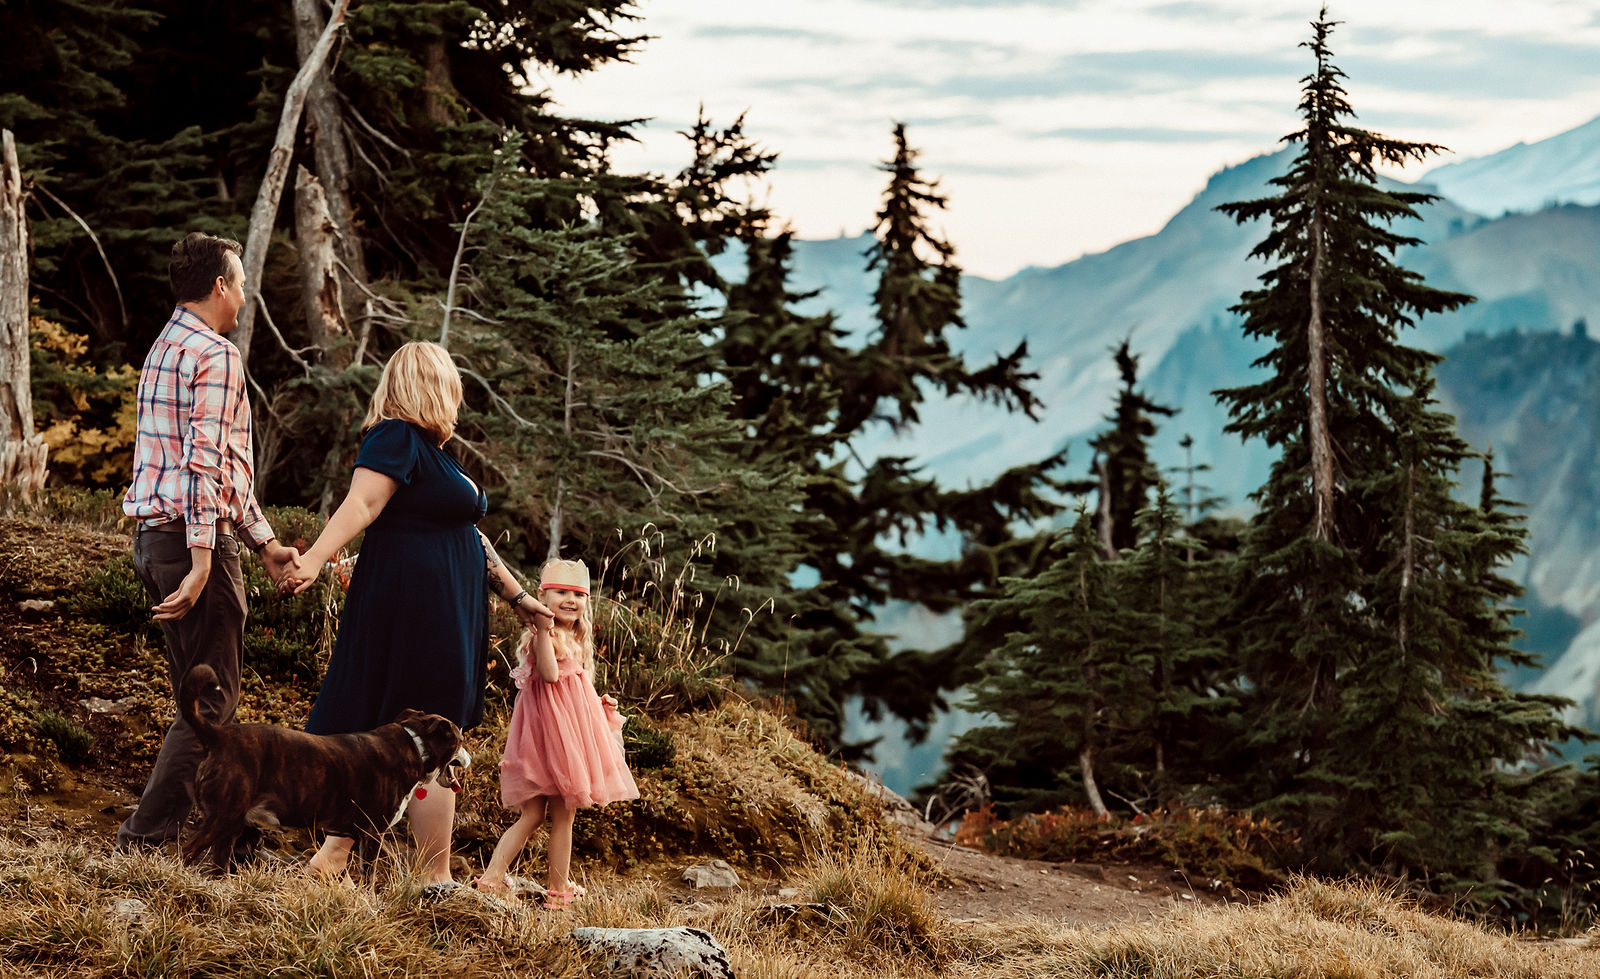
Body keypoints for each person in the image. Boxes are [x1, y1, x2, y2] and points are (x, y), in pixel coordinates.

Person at [282, 340, 552, 885]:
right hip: (415, 610)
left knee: (428, 736)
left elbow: (469, 536)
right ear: (433, 386)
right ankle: (406, 871)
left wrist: (517, 596)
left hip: (445, 608)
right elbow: (363, 503)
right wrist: (313, 557)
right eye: (452, 385)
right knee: (424, 731)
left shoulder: (431, 454)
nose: (457, 396)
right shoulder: (395, 436)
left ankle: (389, 867)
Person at [118, 232, 301, 852]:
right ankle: (147, 835)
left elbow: (218, 464)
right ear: (220, 285)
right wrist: (204, 561)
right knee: (211, 703)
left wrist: (264, 542)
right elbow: (204, 468)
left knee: (195, 696)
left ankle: (218, 828)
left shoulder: (163, 347)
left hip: (155, 540)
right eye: (242, 280)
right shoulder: (216, 354)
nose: (246, 292)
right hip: (193, 545)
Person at [473, 558, 638, 908]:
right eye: (561, 592)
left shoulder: (573, 639)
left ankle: (551, 885)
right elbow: (549, 675)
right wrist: (544, 630)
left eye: (577, 595)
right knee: (536, 815)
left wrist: (598, 703)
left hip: (566, 739)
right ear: (542, 597)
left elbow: (573, 692)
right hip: (548, 742)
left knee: (561, 816)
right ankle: (503, 879)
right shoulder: (542, 637)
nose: (570, 600)